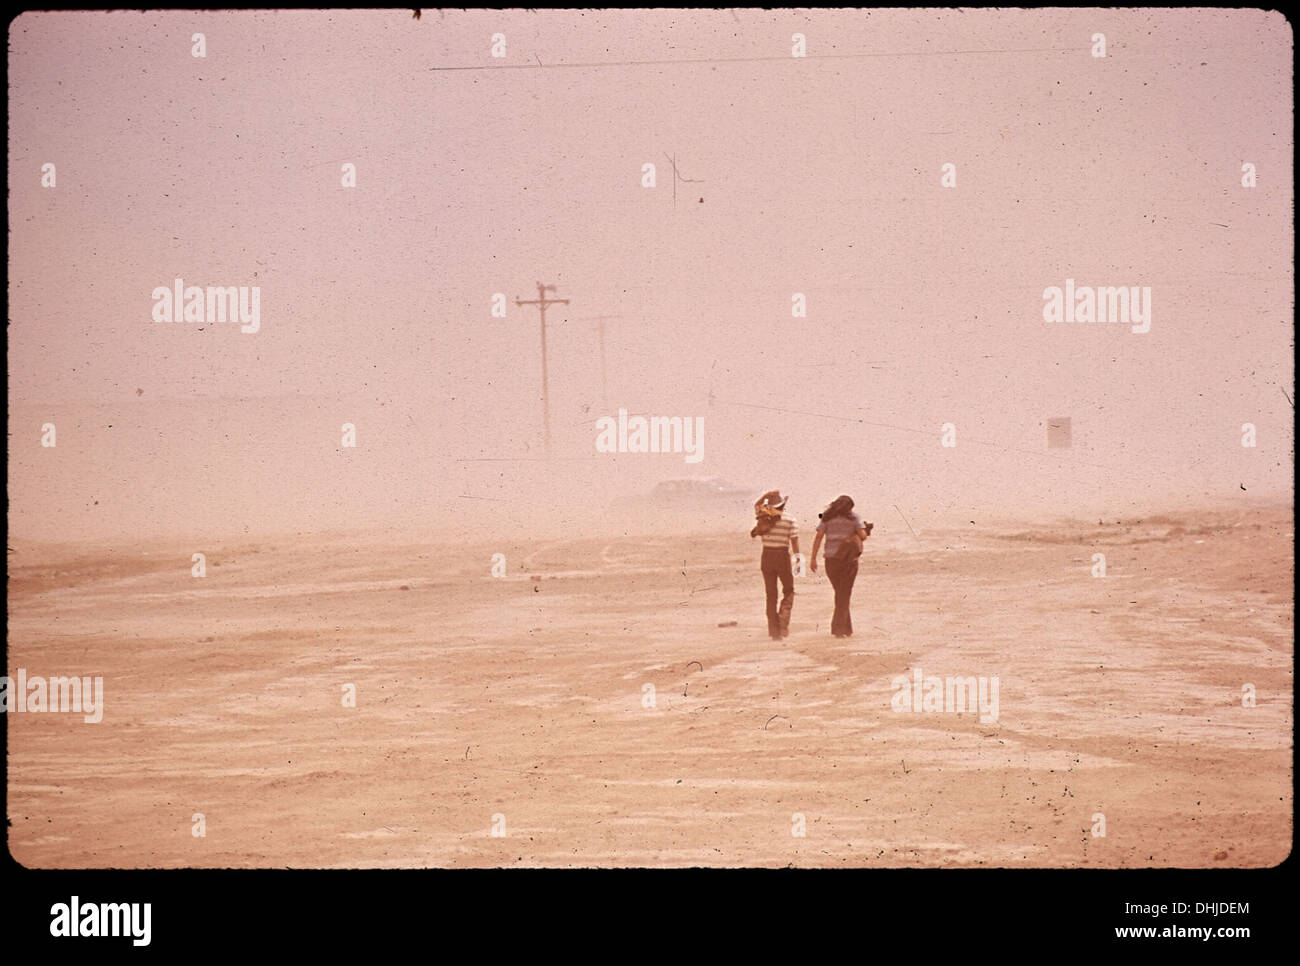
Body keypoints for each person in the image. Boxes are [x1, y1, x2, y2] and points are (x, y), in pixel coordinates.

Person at [810, 494, 868, 638]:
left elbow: (818, 537)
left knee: (840, 593)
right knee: (844, 594)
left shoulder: (827, 518)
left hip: (831, 560)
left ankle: (845, 629)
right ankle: (838, 629)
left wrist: (813, 558)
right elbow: (863, 535)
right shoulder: (855, 518)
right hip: (849, 560)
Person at [753, 489, 799, 640]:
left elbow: (756, 504)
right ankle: (783, 623)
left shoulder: (763, 516)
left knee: (771, 595)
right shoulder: (790, 519)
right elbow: (794, 540)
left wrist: (766, 495)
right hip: (782, 555)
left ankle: (774, 632)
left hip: (766, 555)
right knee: (789, 590)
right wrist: (798, 558)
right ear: (783, 504)